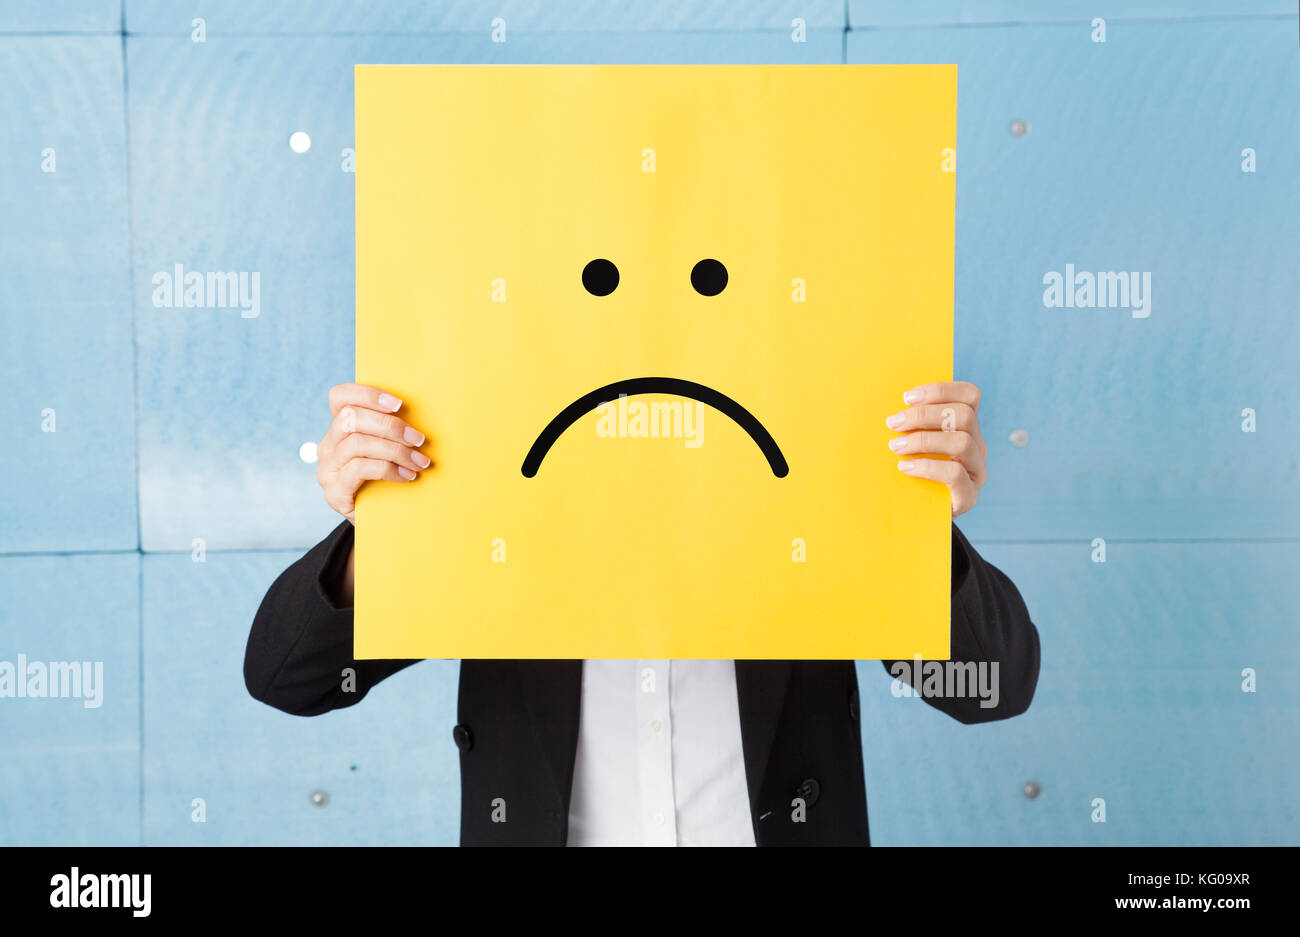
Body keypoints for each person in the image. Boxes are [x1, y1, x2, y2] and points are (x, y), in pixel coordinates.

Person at [244, 380, 1040, 846]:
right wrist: (379, 520)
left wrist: (911, 516)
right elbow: (290, 677)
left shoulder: (813, 471)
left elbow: (989, 687)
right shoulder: (490, 495)